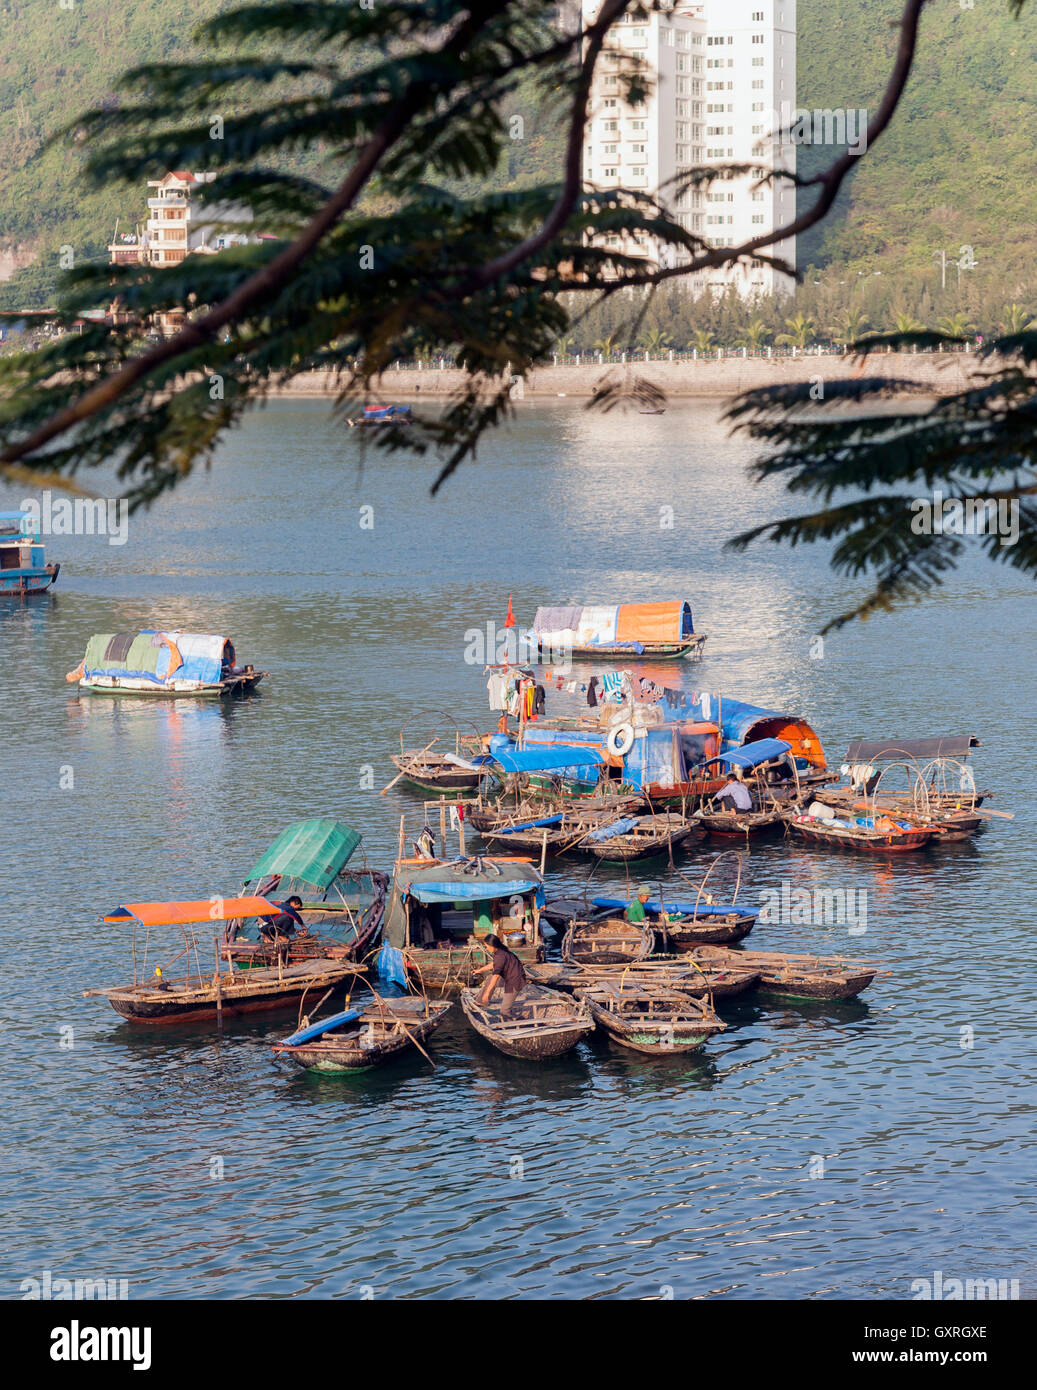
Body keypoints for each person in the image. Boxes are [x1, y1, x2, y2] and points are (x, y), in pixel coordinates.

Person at [473, 932, 527, 1018]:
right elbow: (494, 965)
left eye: (486, 946)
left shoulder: (500, 955)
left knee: (504, 1011)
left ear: (491, 945)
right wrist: (479, 970)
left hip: (515, 982)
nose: (486, 949)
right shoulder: (500, 951)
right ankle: (481, 1002)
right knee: (490, 977)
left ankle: (516, 1023)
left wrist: (487, 994)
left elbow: (496, 976)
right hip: (509, 977)